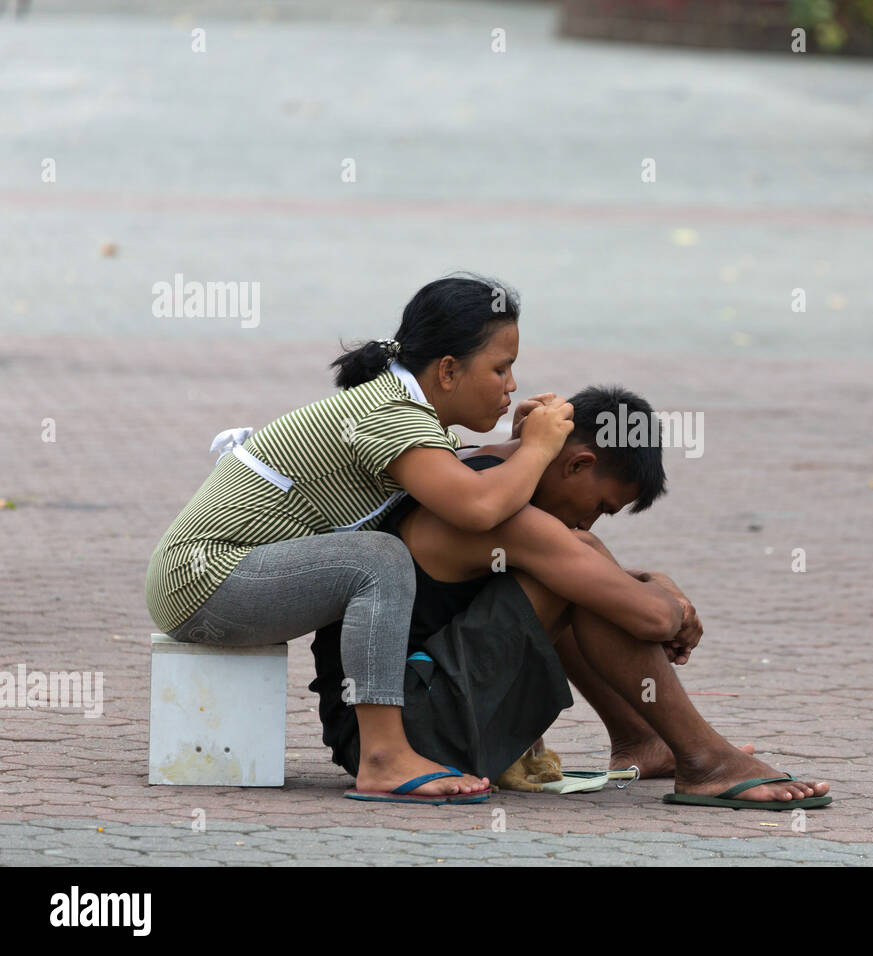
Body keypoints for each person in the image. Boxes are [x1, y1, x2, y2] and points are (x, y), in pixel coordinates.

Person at [144, 273, 575, 804]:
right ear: (446, 370)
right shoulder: (387, 412)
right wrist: (537, 450)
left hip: (214, 579)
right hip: (204, 580)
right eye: (500, 368)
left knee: (380, 556)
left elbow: (459, 478)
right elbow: (479, 505)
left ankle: (387, 752)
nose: (511, 385)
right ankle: (383, 757)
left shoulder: (404, 408)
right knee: (381, 559)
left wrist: (521, 447)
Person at [311, 385, 832, 810]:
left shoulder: (486, 473)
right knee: (580, 574)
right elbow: (649, 617)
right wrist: (668, 600)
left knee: (580, 574)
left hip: (396, 714)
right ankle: (706, 762)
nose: (591, 520)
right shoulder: (492, 505)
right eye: (602, 505)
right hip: (399, 737)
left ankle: (643, 741)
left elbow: (624, 590)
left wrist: (657, 582)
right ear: (578, 464)